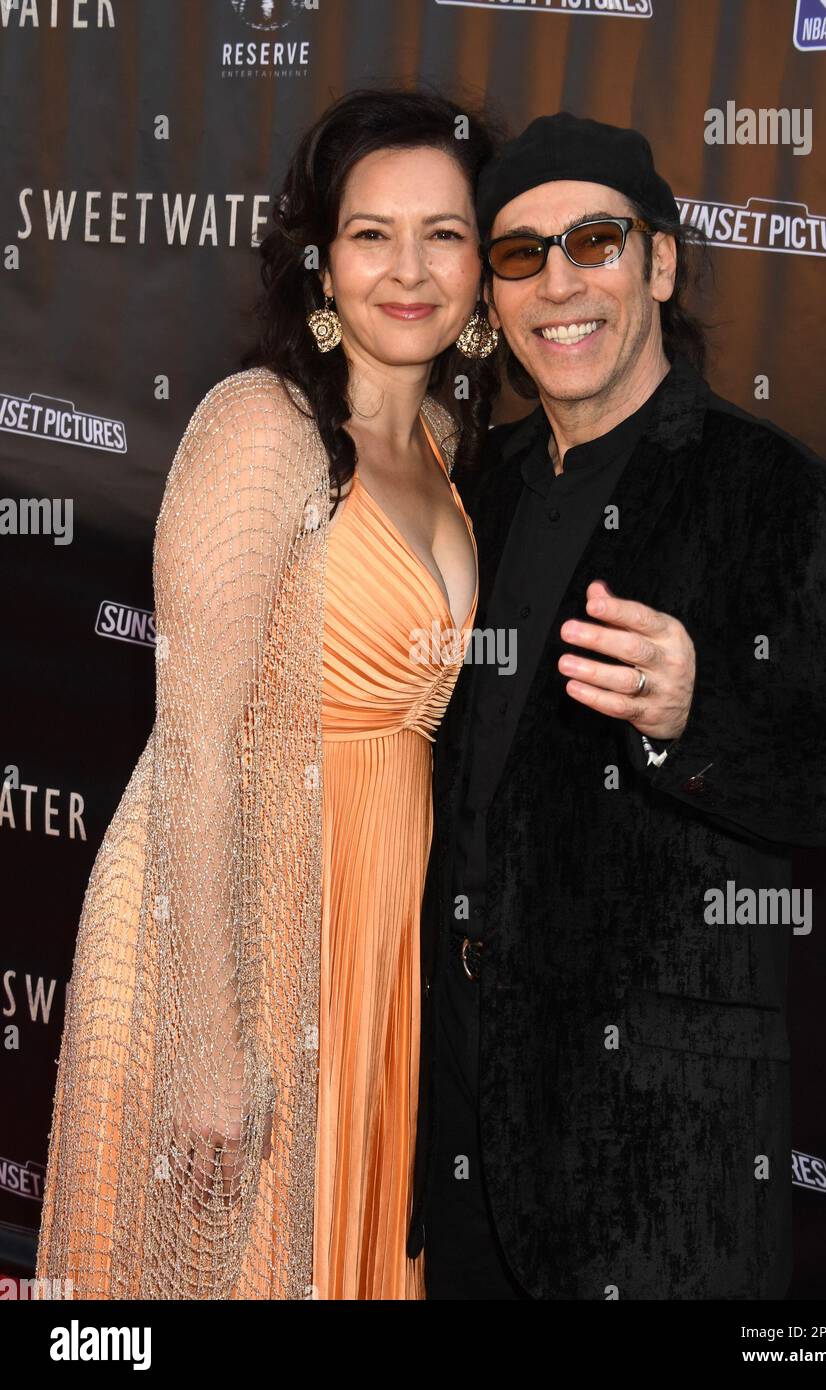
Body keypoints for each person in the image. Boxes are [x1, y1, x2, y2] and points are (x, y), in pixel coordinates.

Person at [35, 86, 500, 1300]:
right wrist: (207, 1041)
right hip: (233, 930)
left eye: (444, 234)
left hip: (372, 928)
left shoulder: (448, 441)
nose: (410, 269)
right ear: (319, 261)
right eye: (370, 234)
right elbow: (190, 746)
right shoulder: (264, 427)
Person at [409, 112, 826, 1300]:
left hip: (654, 1149)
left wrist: (692, 708)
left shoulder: (777, 493)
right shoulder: (477, 490)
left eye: (596, 241)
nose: (558, 283)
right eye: (520, 255)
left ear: (661, 264)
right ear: (493, 298)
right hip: (457, 1109)